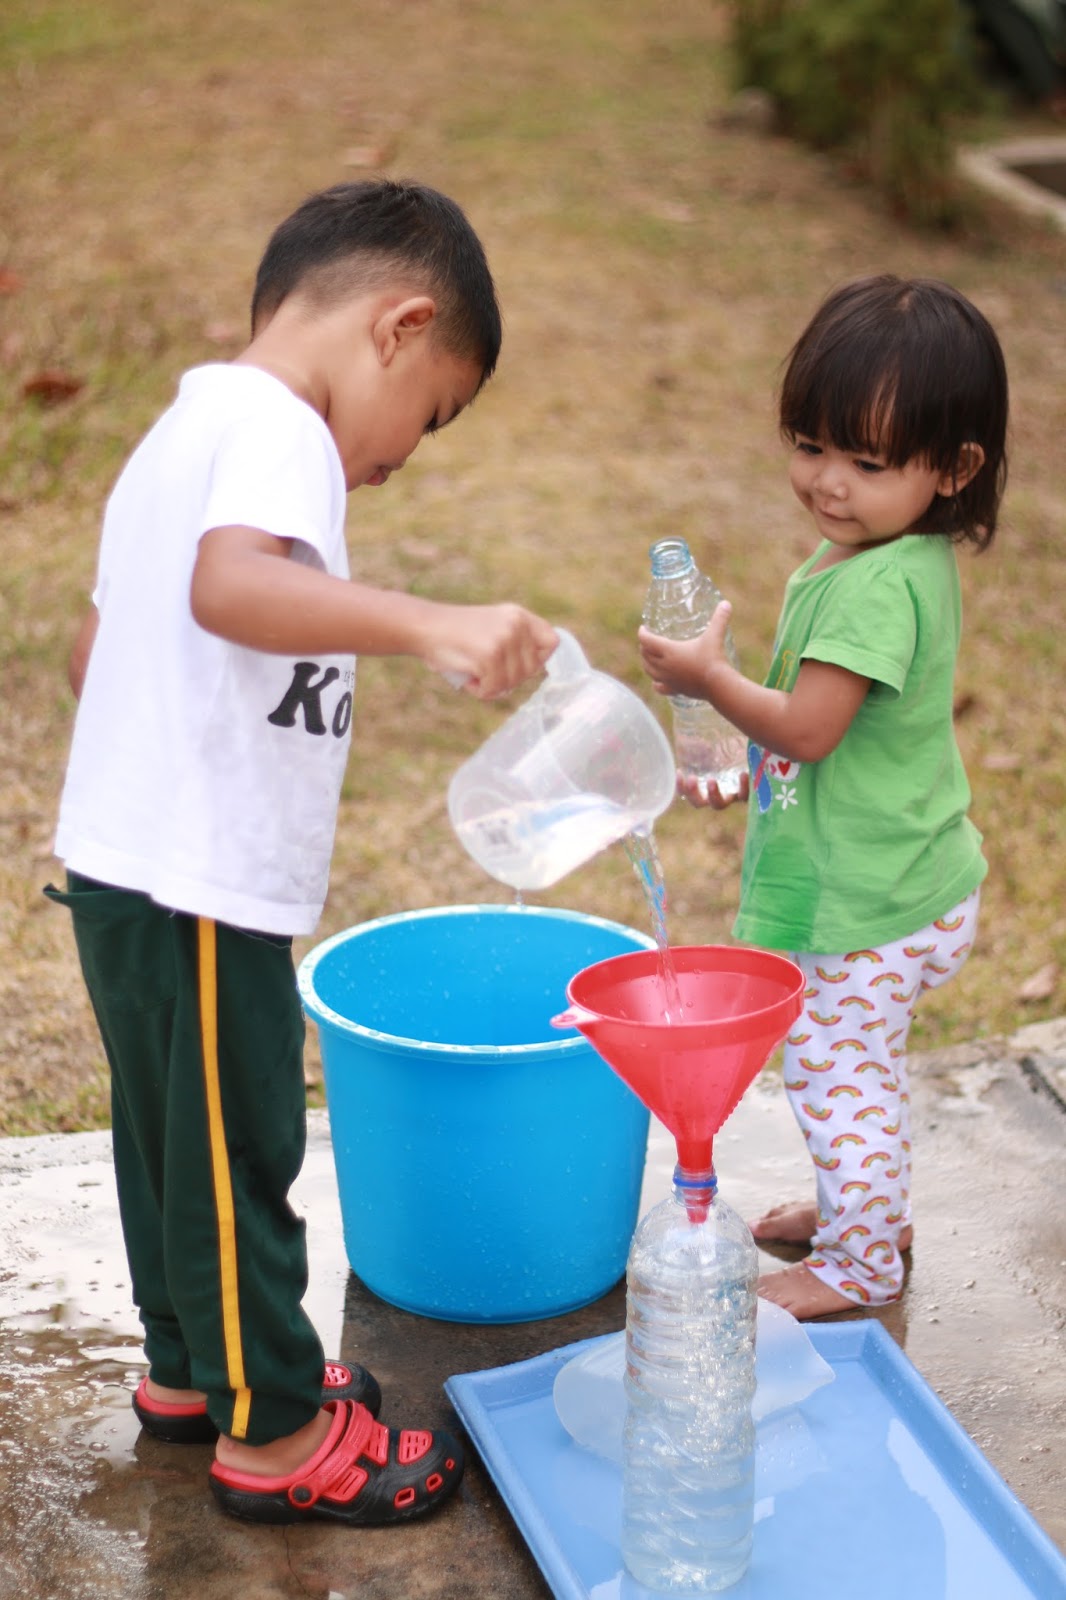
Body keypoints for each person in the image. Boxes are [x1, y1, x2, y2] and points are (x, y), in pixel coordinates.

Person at [48, 178, 558, 1524]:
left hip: (125, 864)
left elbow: (104, 643)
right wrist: (432, 623)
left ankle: (192, 1371)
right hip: (197, 877)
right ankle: (275, 1435)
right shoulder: (276, 426)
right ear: (400, 324)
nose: (405, 454)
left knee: (168, 1135)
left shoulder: (183, 427)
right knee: (241, 1142)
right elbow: (227, 586)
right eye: (431, 414)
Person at [639, 274, 1008, 1319]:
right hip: (901, 873)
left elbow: (809, 725)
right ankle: (863, 1205)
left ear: (953, 469)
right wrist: (748, 756)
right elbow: (815, 742)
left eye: (867, 460)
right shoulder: (883, 552)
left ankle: (859, 1262)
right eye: (810, 445)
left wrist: (711, 683)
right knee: (854, 1067)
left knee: (836, 1070)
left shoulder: (877, 584)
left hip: (872, 903)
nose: (828, 482)